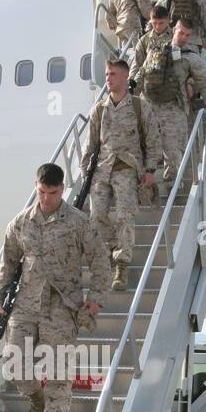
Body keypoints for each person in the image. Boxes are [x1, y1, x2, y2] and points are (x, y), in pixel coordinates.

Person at [0, 163, 109, 412]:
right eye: (41, 191)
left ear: (62, 190)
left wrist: (96, 298)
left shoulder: (78, 222)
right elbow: (7, 262)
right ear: (36, 185)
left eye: (53, 192)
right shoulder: (20, 223)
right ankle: (36, 400)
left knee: (58, 372)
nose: (45, 198)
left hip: (62, 306)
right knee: (13, 361)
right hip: (26, 304)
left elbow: (100, 260)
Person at [81, 59, 160, 293]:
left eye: (113, 74)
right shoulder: (99, 109)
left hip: (127, 168)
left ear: (125, 77)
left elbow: (153, 139)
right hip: (102, 170)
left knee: (125, 217)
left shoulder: (139, 106)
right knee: (97, 217)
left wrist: (150, 169)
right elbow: (91, 143)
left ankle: (122, 266)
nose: (108, 78)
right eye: (107, 74)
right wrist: (85, 170)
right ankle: (109, 254)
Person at [130, 17, 206, 201]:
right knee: (145, 150)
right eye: (181, 32)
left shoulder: (191, 57)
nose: (183, 37)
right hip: (150, 108)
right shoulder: (155, 50)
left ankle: (171, 190)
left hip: (174, 110)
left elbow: (204, 80)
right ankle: (145, 190)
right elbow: (141, 73)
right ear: (173, 30)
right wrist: (129, 91)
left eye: (187, 35)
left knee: (173, 152)